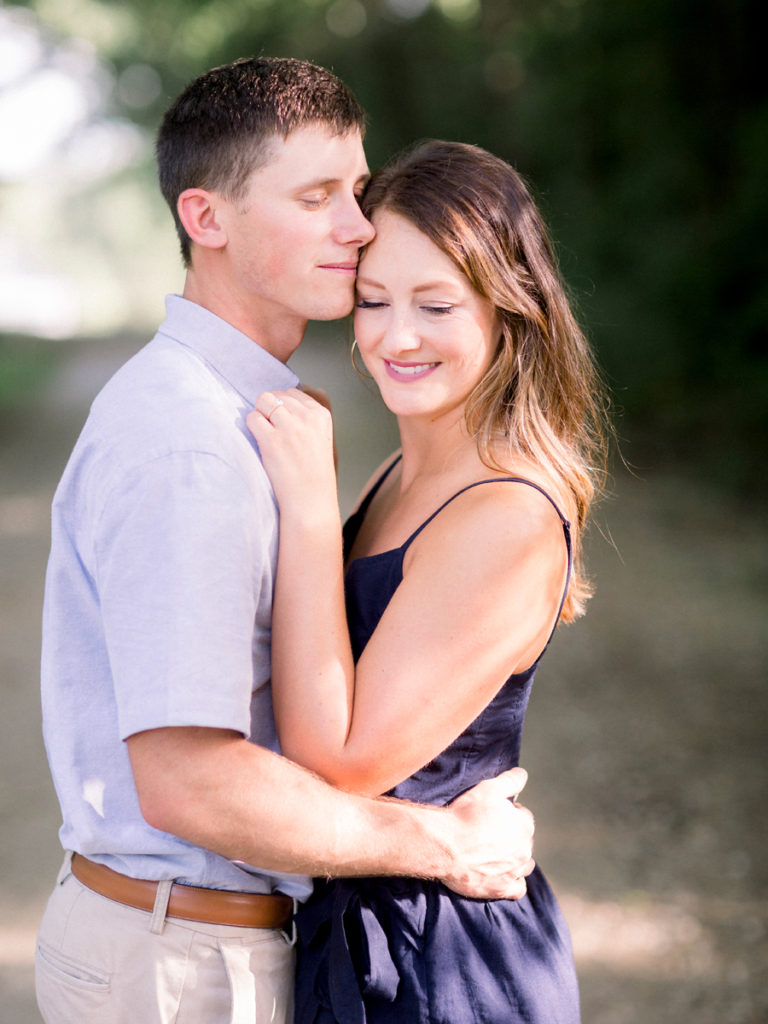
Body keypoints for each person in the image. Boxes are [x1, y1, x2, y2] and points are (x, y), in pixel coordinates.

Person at [34, 61, 535, 1024]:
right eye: (315, 197)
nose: (356, 226)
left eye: (354, 189)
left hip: (200, 944)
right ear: (206, 218)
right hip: (179, 968)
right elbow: (188, 779)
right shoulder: (191, 442)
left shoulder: (243, 412)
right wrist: (443, 844)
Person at [248, 139, 611, 1023]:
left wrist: (304, 510)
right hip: (357, 924)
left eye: (437, 304)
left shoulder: (509, 514)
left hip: (443, 960)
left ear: (508, 311)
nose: (395, 335)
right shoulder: (396, 476)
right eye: (374, 300)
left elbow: (341, 762)